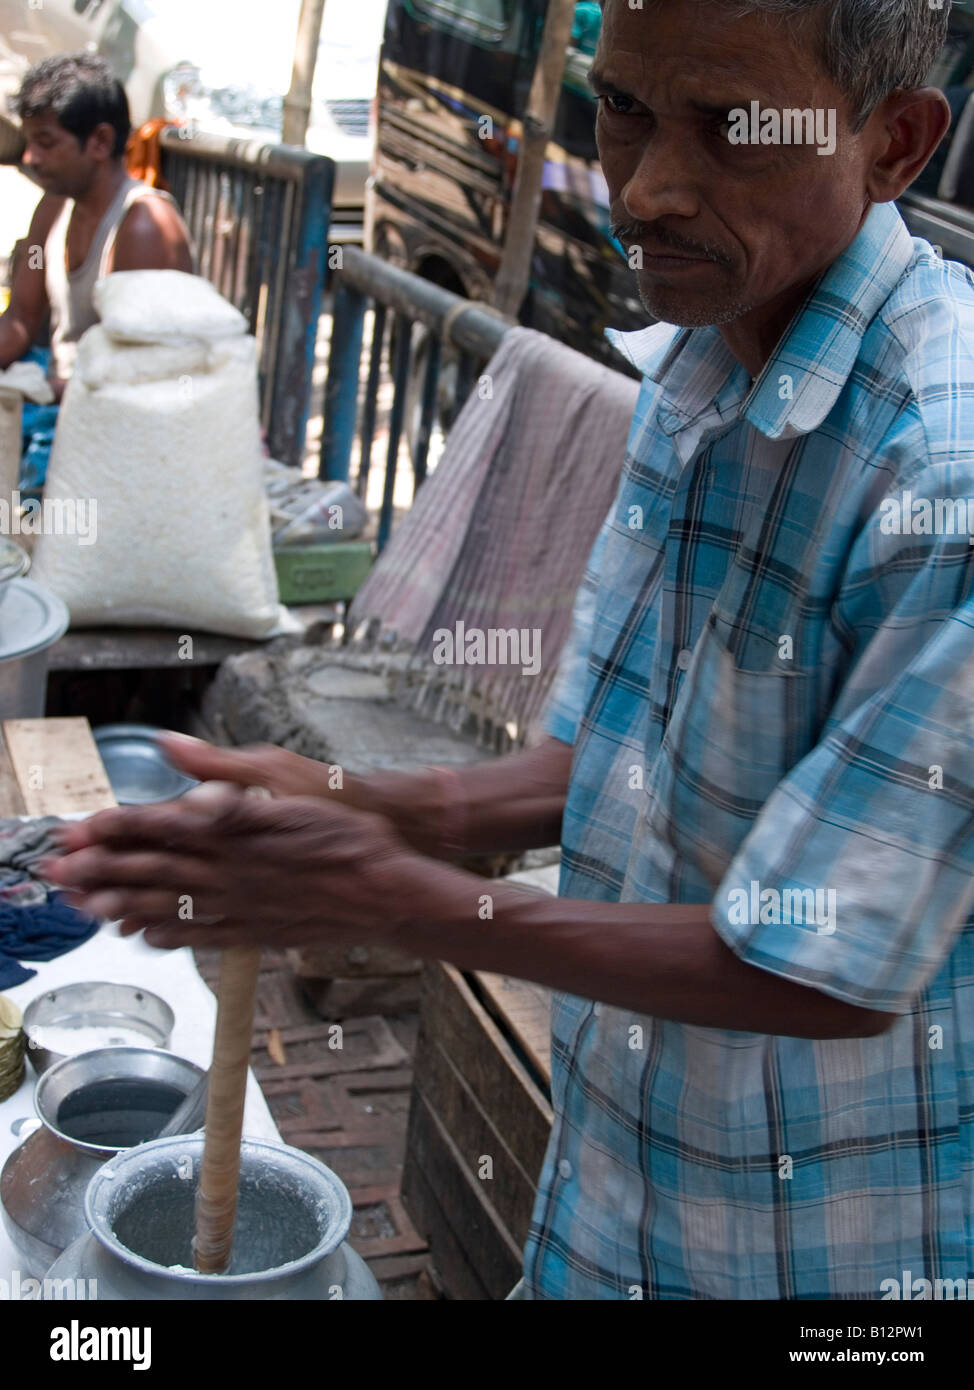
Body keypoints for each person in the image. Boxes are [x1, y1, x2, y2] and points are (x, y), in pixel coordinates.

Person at [47, 0, 974, 1301]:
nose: (646, 188)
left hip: (820, 1252)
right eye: (624, 109)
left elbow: (817, 966)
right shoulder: (698, 363)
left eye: (727, 130)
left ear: (894, 144)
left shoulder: (941, 470)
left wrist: (398, 896)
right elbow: (616, 745)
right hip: (615, 1194)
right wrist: (371, 800)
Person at [0, 53, 193, 492]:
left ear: (100, 141)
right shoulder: (54, 205)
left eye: (46, 142)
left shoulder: (143, 226)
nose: (31, 157)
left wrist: (43, 389)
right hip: (60, 400)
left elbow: (136, 374)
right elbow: (21, 320)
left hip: (114, 432)